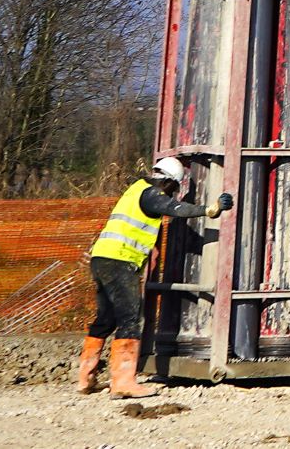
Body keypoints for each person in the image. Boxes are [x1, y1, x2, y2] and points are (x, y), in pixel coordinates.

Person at [80, 155, 228, 398]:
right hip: (119, 260)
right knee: (130, 317)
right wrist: (210, 210)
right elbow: (175, 209)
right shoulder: (150, 194)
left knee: (106, 319)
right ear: (169, 182)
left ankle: (86, 378)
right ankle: (123, 382)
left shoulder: (135, 190)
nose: (173, 194)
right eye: (174, 189)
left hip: (103, 259)